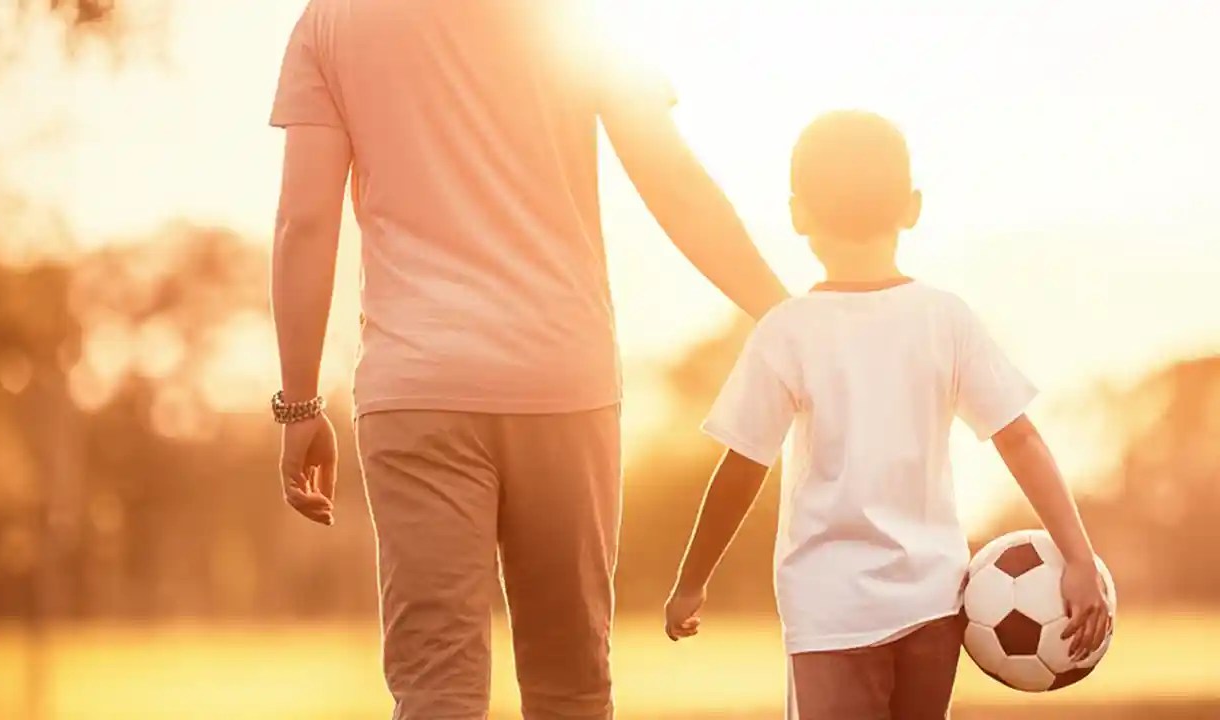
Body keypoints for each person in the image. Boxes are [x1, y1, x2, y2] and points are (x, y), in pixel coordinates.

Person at [266, 1, 788, 718]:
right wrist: (786, 314)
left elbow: (305, 220)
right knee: (571, 689)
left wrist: (299, 404)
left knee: (435, 689)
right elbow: (671, 179)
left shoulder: (331, 20)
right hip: (563, 384)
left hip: (418, 392)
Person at [662, 110, 1113, 719]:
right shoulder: (945, 318)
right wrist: (1078, 557)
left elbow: (743, 467)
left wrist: (692, 580)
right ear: (912, 207)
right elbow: (1021, 438)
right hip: (933, 602)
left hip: (830, 610)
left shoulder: (787, 332)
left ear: (798, 215)